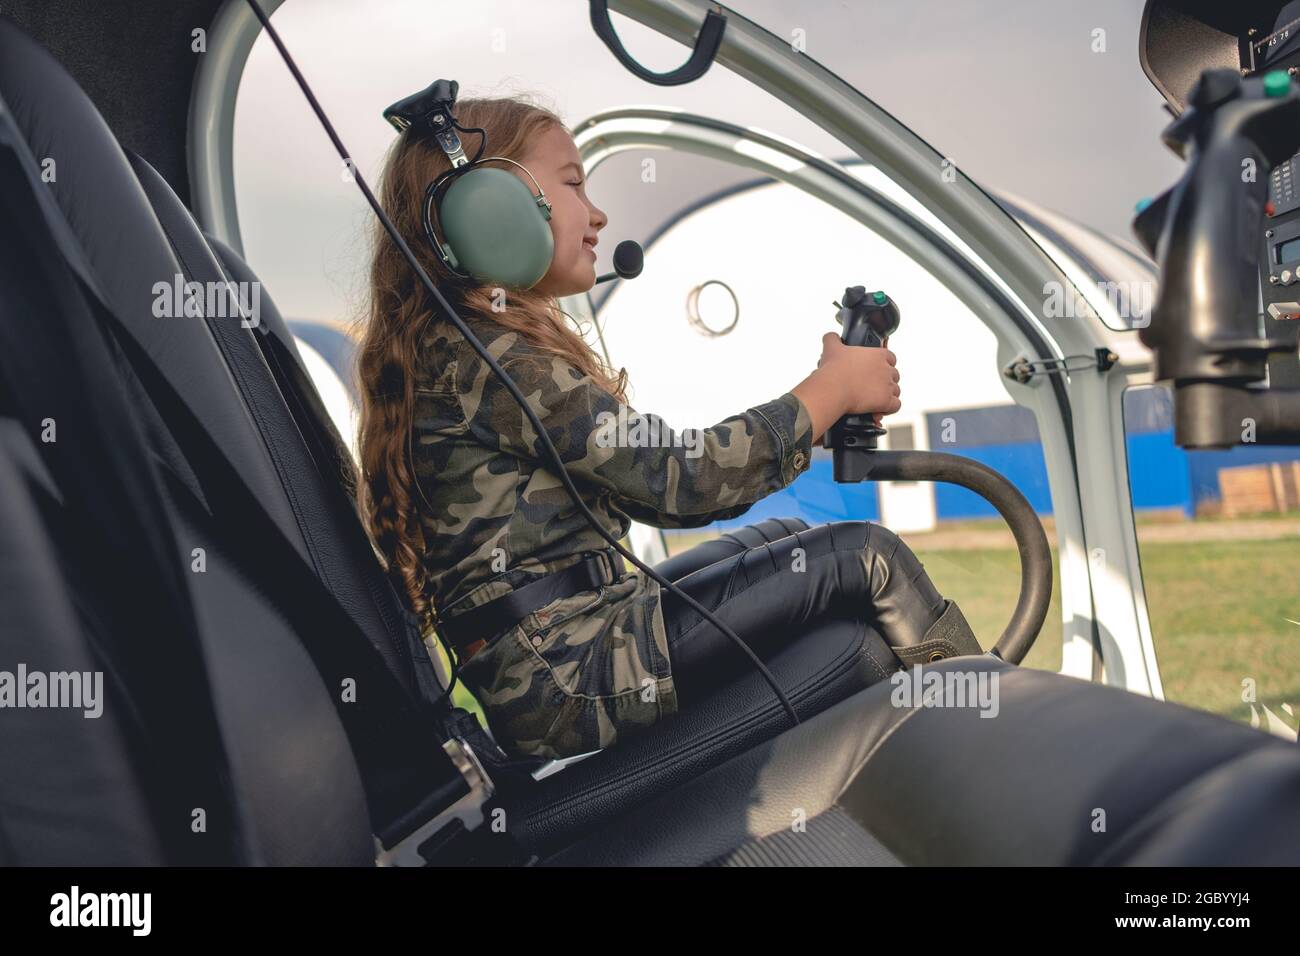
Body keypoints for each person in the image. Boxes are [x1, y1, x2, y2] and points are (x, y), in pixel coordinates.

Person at [354, 93, 978, 762]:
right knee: (867, 558)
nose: (597, 216)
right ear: (487, 212)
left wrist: (812, 419)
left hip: (564, 651)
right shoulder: (488, 357)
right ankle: (991, 747)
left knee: (788, 538)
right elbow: (682, 481)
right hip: (566, 673)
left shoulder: (467, 349)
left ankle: (921, 748)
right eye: (571, 184)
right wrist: (827, 394)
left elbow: (660, 491)